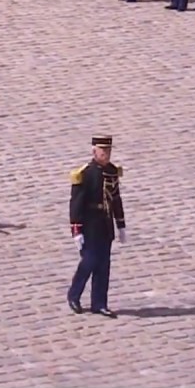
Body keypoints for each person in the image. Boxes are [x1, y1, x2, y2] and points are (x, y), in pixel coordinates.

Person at [67, 135, 126, 318]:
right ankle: (74, 295)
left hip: (105, 224)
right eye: (103, 151)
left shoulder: (112, 171)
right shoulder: (85, 174)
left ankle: (99, 303)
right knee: (89, 262)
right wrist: (76, 230)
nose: (106, 154)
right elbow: (76, 204)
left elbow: (116, 199)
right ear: (94, 152)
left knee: (103, 265)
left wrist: (121, 224)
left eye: (108, 151)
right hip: (90, 224)